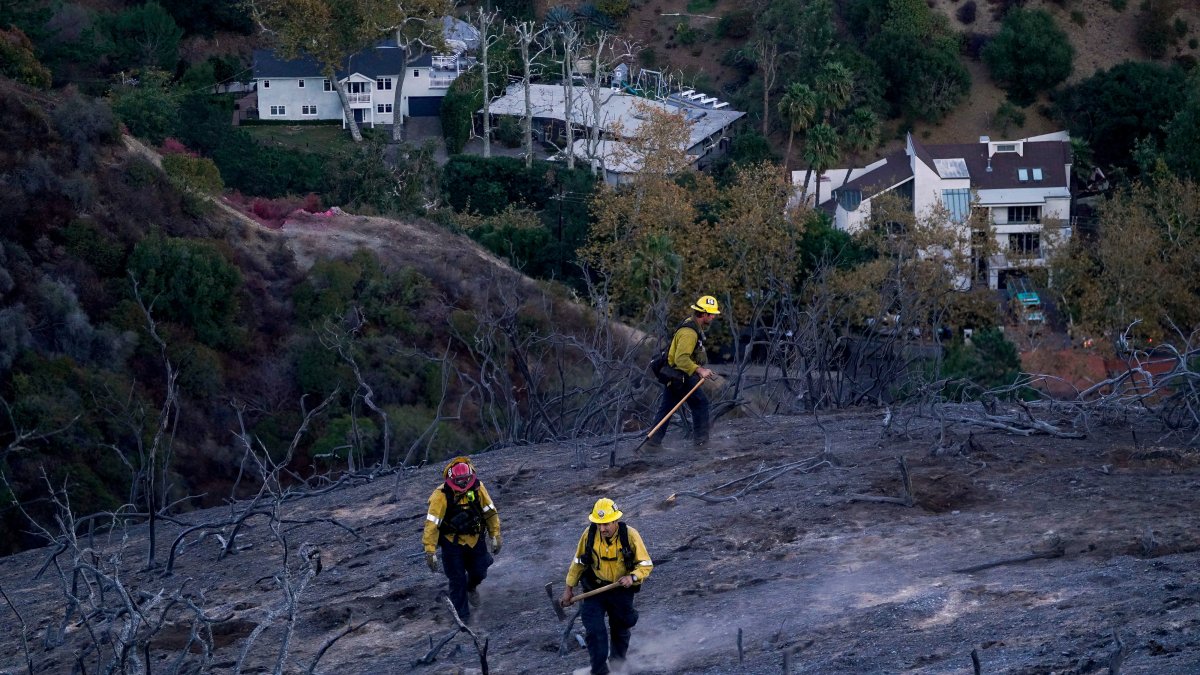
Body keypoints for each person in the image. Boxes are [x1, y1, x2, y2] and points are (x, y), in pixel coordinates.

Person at [560, 498, 654, 675]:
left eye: (606, 524)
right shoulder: (589, 535)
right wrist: (568, 589)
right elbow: (578, 563)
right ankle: (600, 671)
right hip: (593, 589)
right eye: (598, 524)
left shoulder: (630, 536)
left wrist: (632, 577)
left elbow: (646, 564)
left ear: (615, 520)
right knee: (595, 632)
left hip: (621, 590)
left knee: (621, 628)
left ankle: (617, 666)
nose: (602, 529)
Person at [422, 456, 501, 624]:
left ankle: (471, 587)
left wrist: (495, 535)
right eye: (459, 480)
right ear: (451, 479)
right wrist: (430, 550)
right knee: (456, 580)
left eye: (465, 480)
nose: (463, 483)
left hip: (475, 540)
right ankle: (463, 619)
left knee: (480, 571)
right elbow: (432, 524)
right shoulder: (440, 495)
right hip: (452, 544)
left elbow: (490, 512)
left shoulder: (479, 489)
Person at [647, 294, 720, 448]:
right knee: (700, 404)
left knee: (666, 409)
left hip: (676, 375)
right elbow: (681, 359)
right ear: (704, 314)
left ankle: (652, 444)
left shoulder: (691, 324)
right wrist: (700, 370)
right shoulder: (689, 333)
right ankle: (701, 444)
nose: (713, 317)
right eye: (711, 314)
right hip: (679, 376)